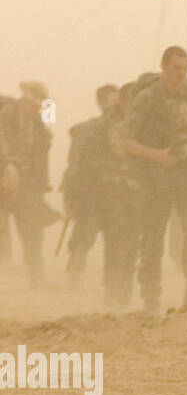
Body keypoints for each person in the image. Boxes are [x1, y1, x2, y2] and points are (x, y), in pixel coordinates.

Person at [115, 47, 187, 314]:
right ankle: (150, 297)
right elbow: (123, 140)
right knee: (153, 238)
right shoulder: (147, 99)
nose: (181, 73)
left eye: (185, 68)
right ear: (165, 66)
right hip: (154, 177)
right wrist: (154, 155)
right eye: (177, 68)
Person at [0, 82, 58, 288]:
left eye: (39, 106)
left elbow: (41, 158)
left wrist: (41, 188)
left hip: (27, 184)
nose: (37, 110)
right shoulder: (4, 117)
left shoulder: (39, 126)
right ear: (24, 100)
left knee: (33, 231)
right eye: (34, 105)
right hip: (3, 179)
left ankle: (37, 278)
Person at [62, 84, 119, 287]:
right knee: (84, 235)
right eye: (113, 98)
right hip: (93, 192)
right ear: (103, 102)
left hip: (117, 191)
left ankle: (112, 286)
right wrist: (71, 194)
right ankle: (73, 277)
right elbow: (75, 165)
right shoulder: (88, 129)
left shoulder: (125, 125)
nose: (116, 102)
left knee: (116, 238)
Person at [102, 80, 147, 309]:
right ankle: (111, 291)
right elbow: (117, 145)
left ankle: (125, 293)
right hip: (113, 192)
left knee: (132, 245)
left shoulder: (143, 122)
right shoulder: (108, 123)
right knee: (114, 243)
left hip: (137, 193)